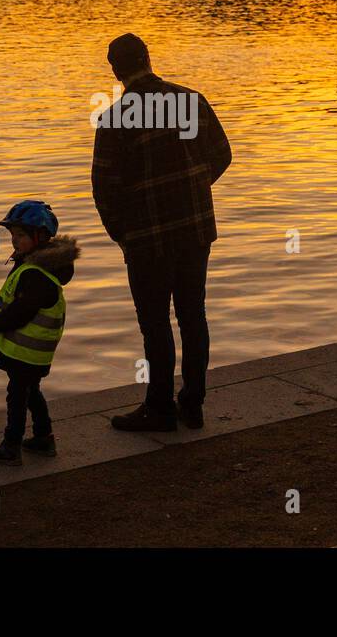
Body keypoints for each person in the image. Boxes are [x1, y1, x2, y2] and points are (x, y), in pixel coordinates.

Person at [92, 33, 231, 432]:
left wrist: (123, 233)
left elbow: (105, 188)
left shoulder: (115, 120)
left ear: (116, 70)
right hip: (195, 231)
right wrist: (195, 192)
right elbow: (222, 154)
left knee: (155, 324)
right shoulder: (190, 100)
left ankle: (160, 408)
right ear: (149, 59)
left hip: (146, 240)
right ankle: (193, 404)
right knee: (193, 315)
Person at [0, 200, 80, 465]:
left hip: (26, 352)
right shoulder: (33, 266)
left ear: (40, 237)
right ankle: (43, 437)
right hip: (28, 353)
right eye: (12, 235)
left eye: (21, 235)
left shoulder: (36, 274)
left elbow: (22, 312)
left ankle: (10, 446)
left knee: (17, 396)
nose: (14, 241)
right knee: (30, 392)